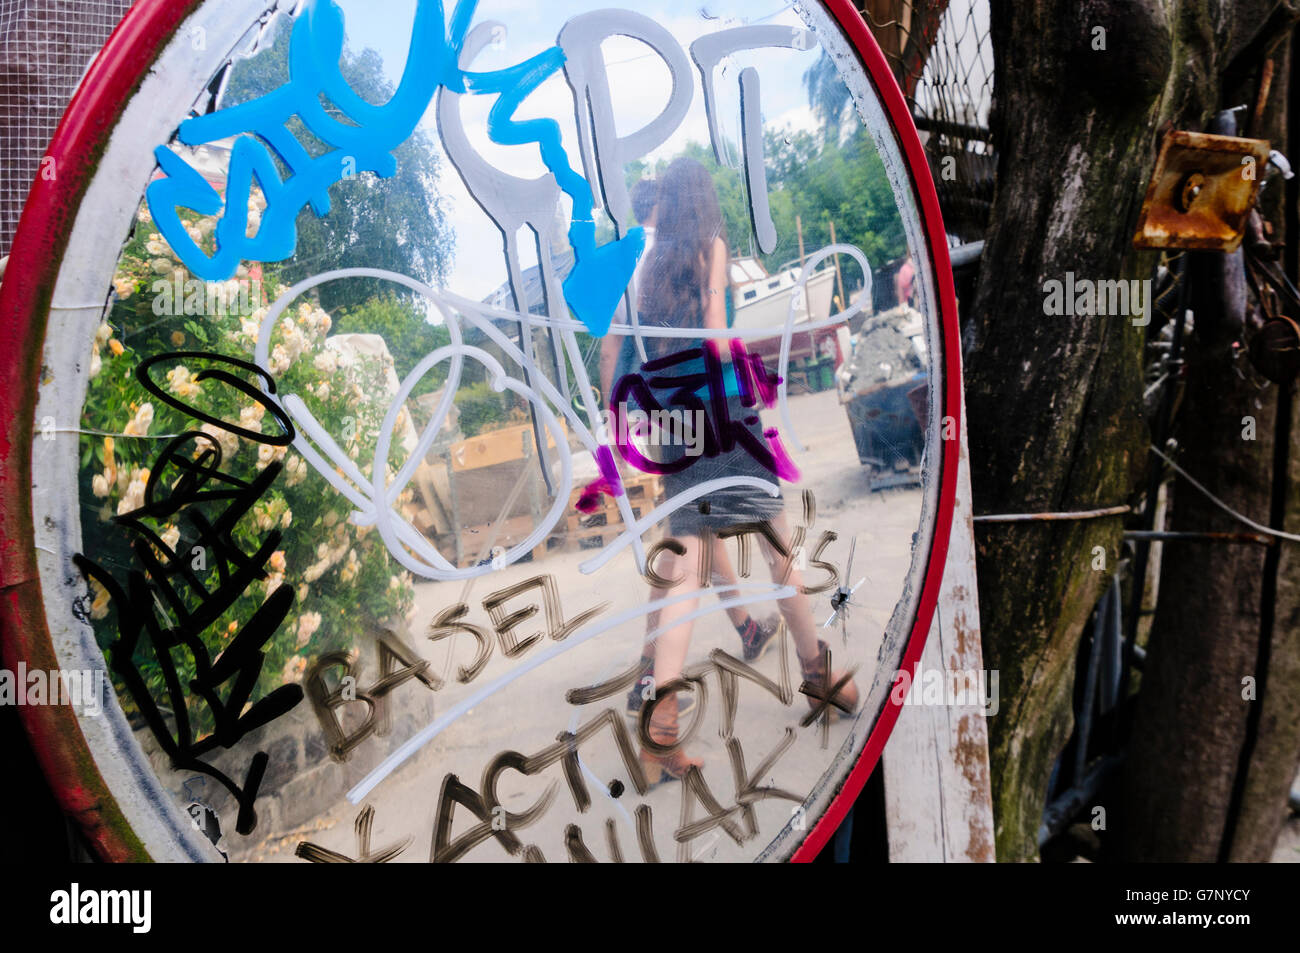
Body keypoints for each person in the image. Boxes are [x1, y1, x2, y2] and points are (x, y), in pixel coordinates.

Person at [624, 158, 858, 785]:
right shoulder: (711, 245)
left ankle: (660, 729)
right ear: (705, 200)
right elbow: (718, 334)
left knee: (687, 566)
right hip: (723, 408)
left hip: (677, 416)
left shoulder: (650, 264)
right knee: (779, 543)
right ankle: (819, 677)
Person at [601, 177, 780, 725]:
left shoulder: (630, 260)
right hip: (707, 403)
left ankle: (736, 632)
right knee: (693, 540)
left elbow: (611, 343)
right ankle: (655, 680)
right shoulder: (676, 251)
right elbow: (712, 331)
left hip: (661, 411)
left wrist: (617, 416)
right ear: (665, 205)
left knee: (695, 529)